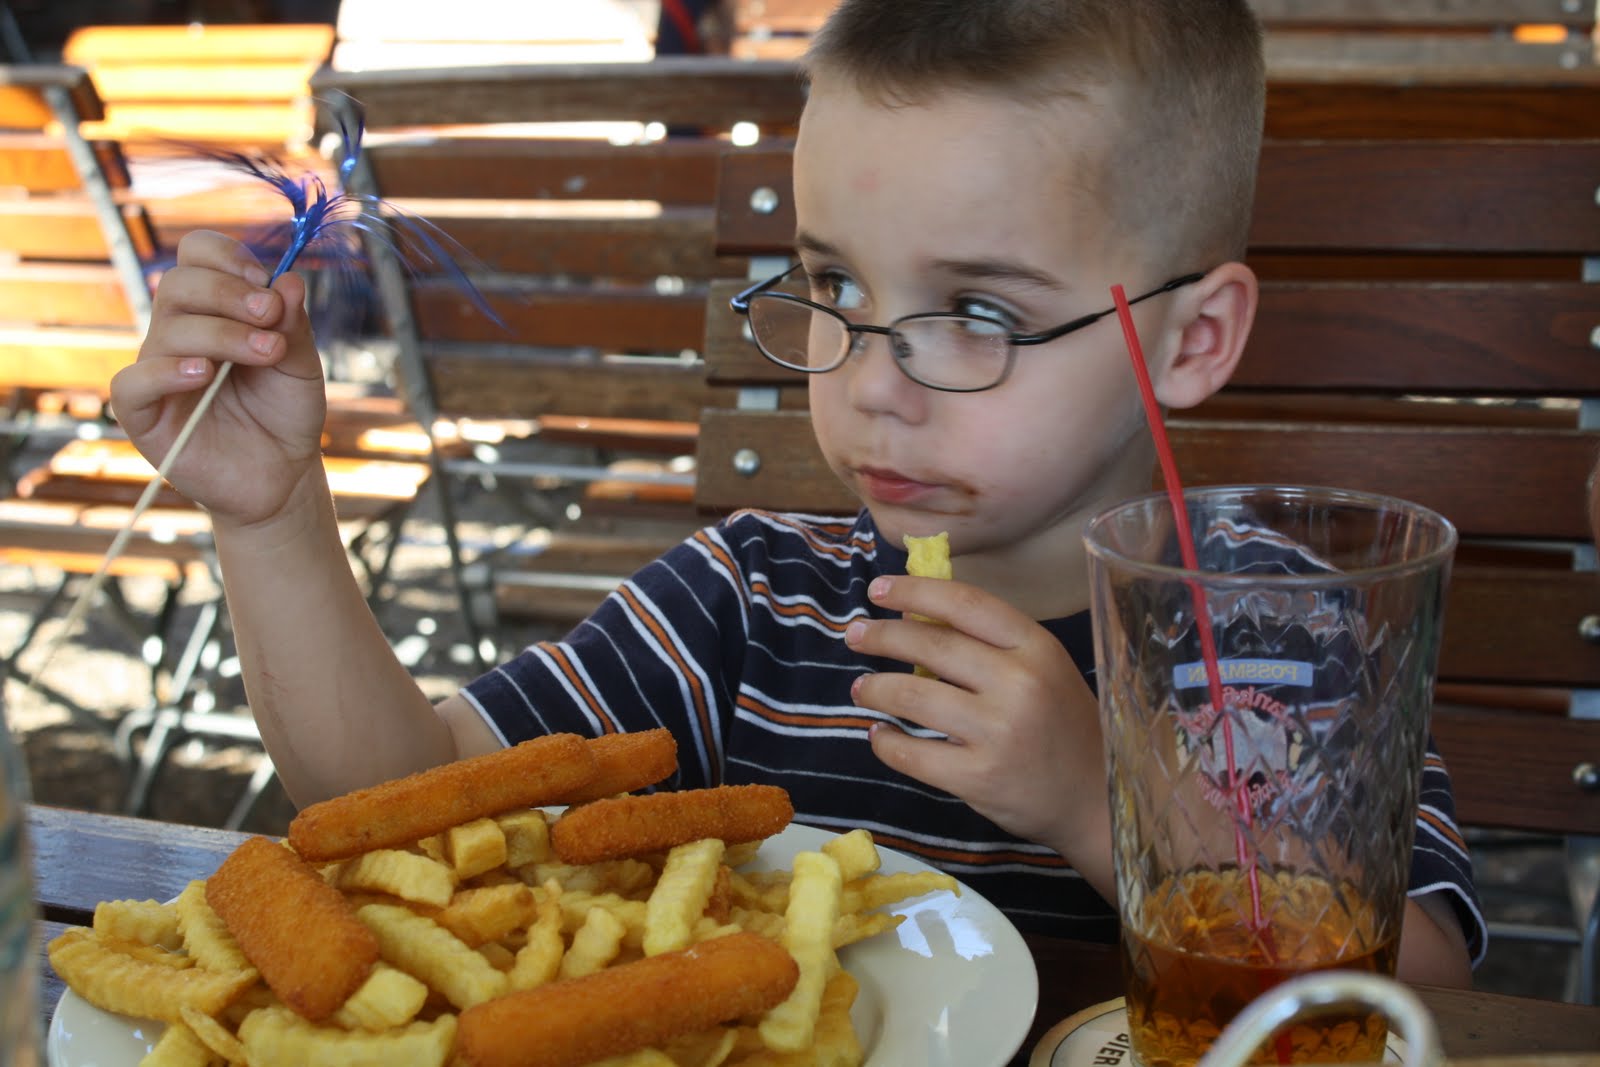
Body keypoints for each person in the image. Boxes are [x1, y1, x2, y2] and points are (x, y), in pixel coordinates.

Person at [111, 0, 1481, 985]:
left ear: (1191, 339)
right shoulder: (748, 599)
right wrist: (270, 515)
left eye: (980, 313)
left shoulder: (1279, 626)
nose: (873, 379)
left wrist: (1093, 796)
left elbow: (1411, 988)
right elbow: (389, 800)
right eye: (836, 286)